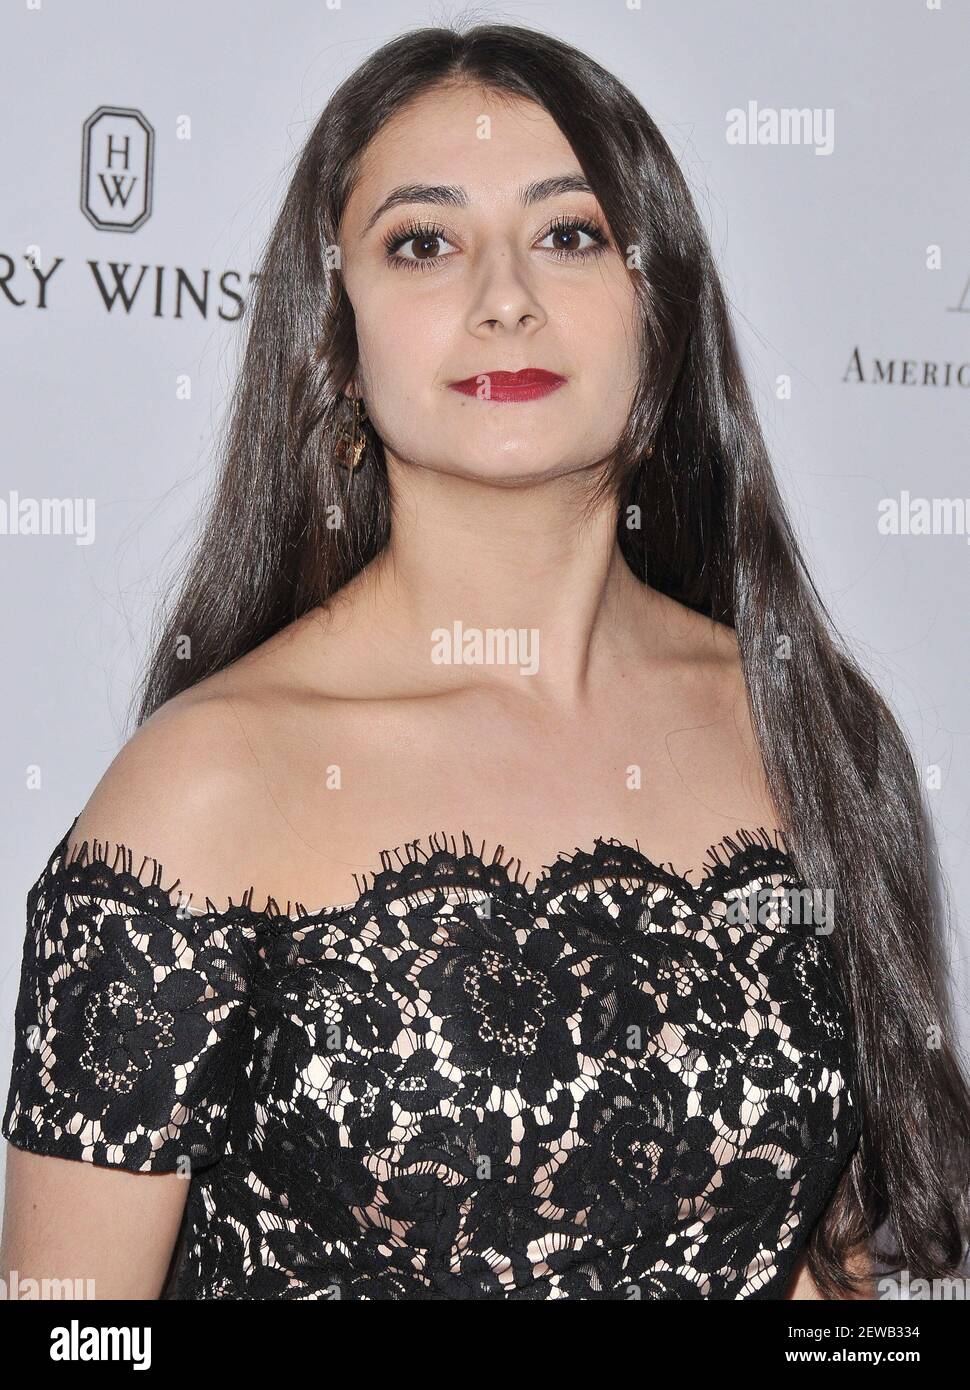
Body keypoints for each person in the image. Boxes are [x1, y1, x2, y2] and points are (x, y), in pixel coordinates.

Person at [2, 21, 968, 1301]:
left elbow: (836, 1287)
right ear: (333, 341)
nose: (504, 297)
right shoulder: (206, 784)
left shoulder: (809, 723)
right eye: (423, 241)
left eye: (568, 233)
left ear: (659, 304)